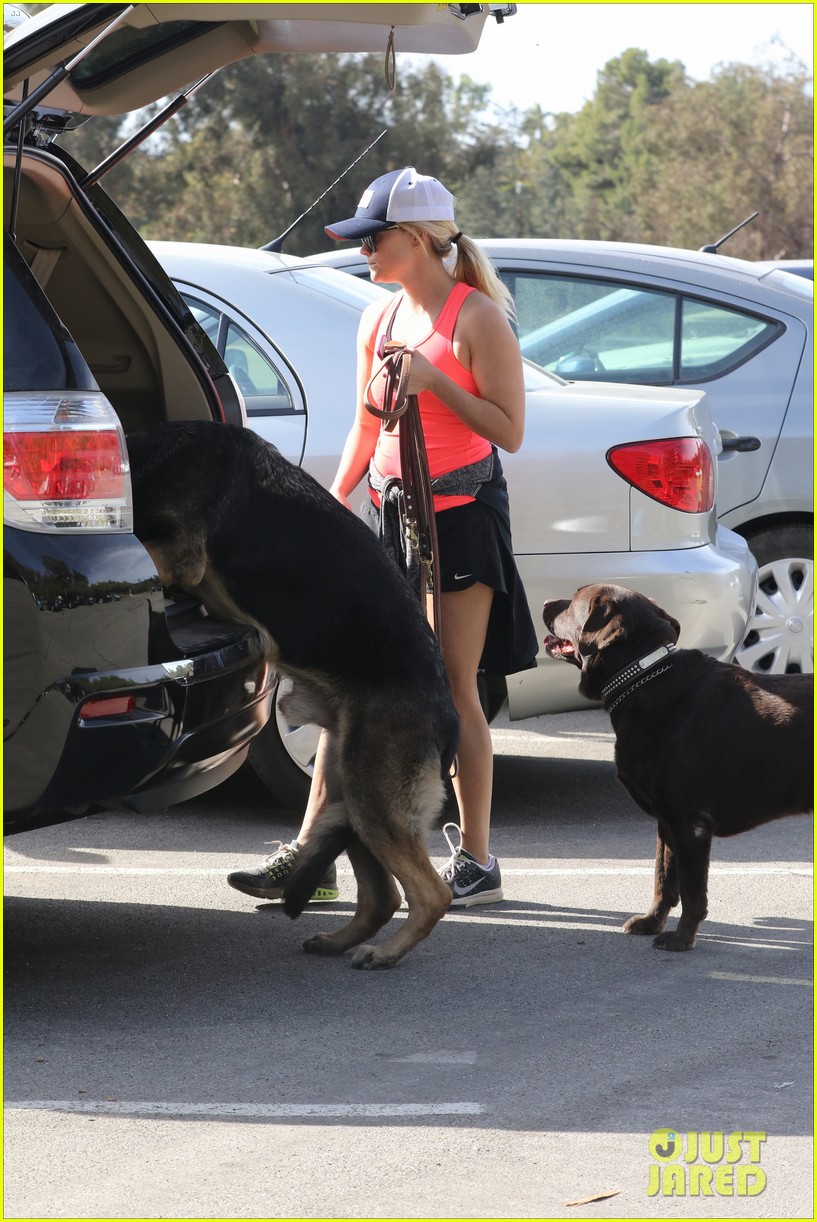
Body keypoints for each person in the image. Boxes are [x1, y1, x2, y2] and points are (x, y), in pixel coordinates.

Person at [227, 166, 538, 908]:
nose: (363, 250)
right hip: (392, 514)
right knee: (353, 686)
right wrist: (333, 508)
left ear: (419, 239)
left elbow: (509, 431)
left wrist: (438, 385)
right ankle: (310, 856)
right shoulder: (378, 317)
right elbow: (367, 423)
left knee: (451, 691)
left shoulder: (476, 319)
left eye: (374, 238)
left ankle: (478, 859)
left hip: (460, 517)